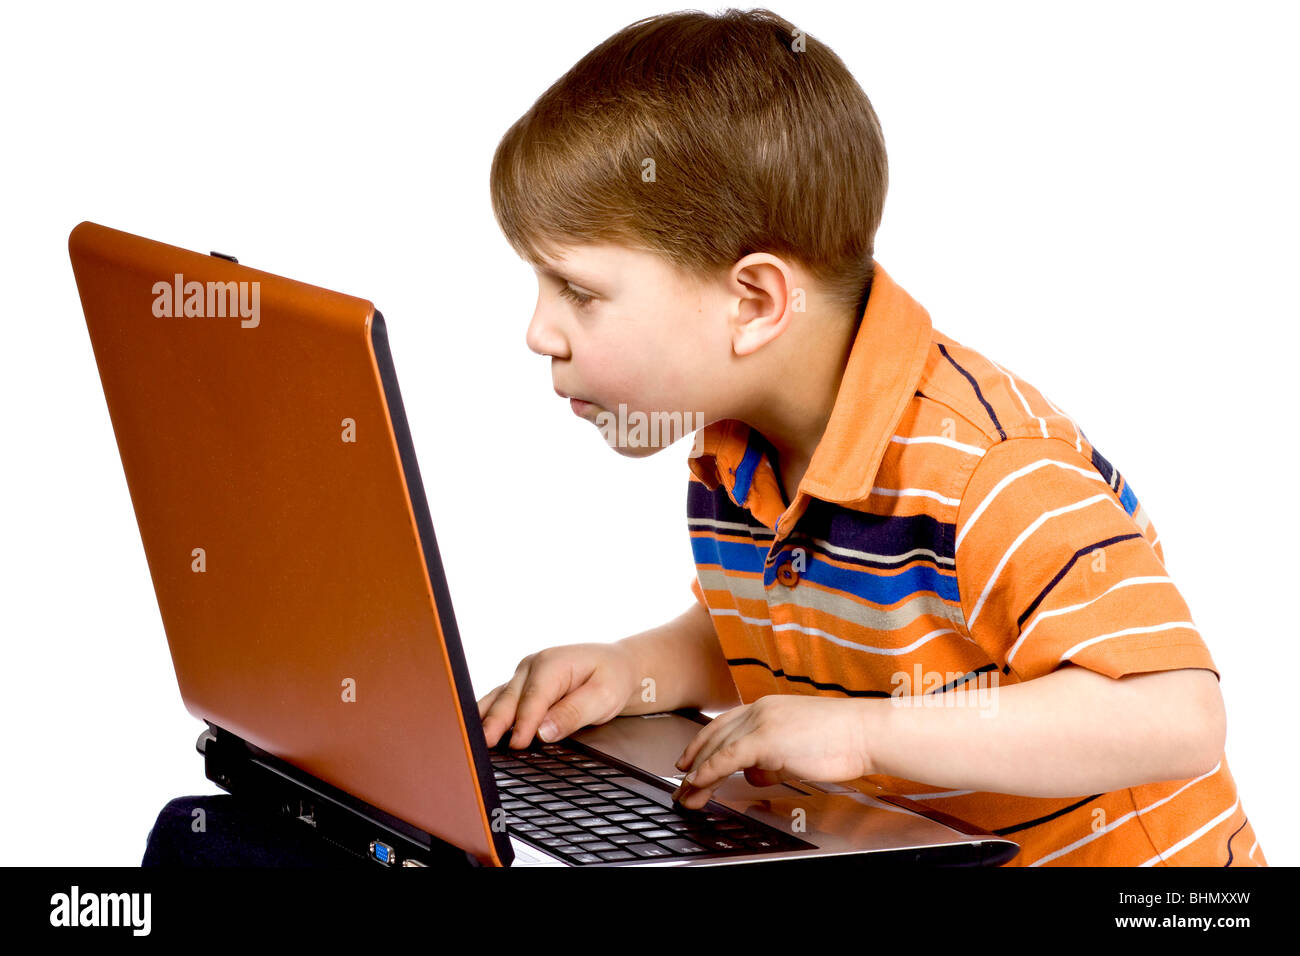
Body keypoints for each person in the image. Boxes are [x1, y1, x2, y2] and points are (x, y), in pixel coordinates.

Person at [477, 7, 1265, 867]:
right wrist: (635, 669)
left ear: (756, 304)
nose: (538, 332)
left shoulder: (989, 468)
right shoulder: (731, 447)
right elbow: (796, 633)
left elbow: (1177, 714)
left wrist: (863, 736)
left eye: (578, 292)